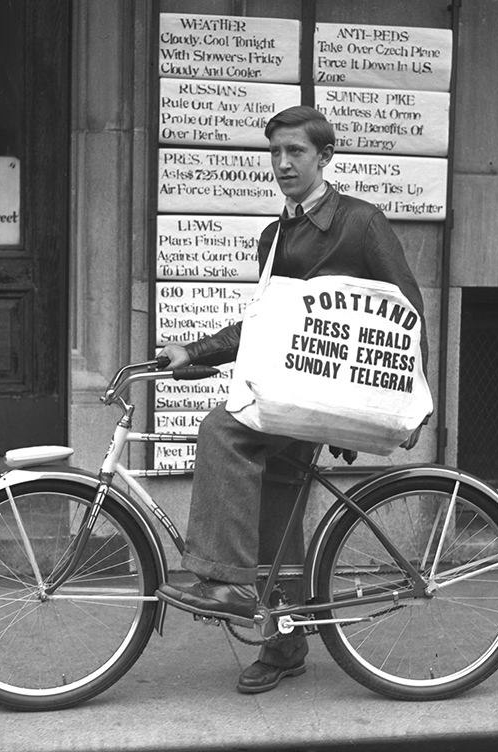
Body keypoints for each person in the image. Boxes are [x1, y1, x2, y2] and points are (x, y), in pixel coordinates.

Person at [155, 105, 428, 693]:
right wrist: (196, 354)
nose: (282, 164)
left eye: (295, 152)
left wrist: (402, 405)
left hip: (325, 396)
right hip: (290, 394)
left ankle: (223, 578)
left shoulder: (361, 223)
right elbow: (263, 329)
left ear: (325, 157)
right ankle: (285, 643)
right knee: (278, 515)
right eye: (274, 152)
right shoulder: (273, 237)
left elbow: (407, 314)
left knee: (221, 430)